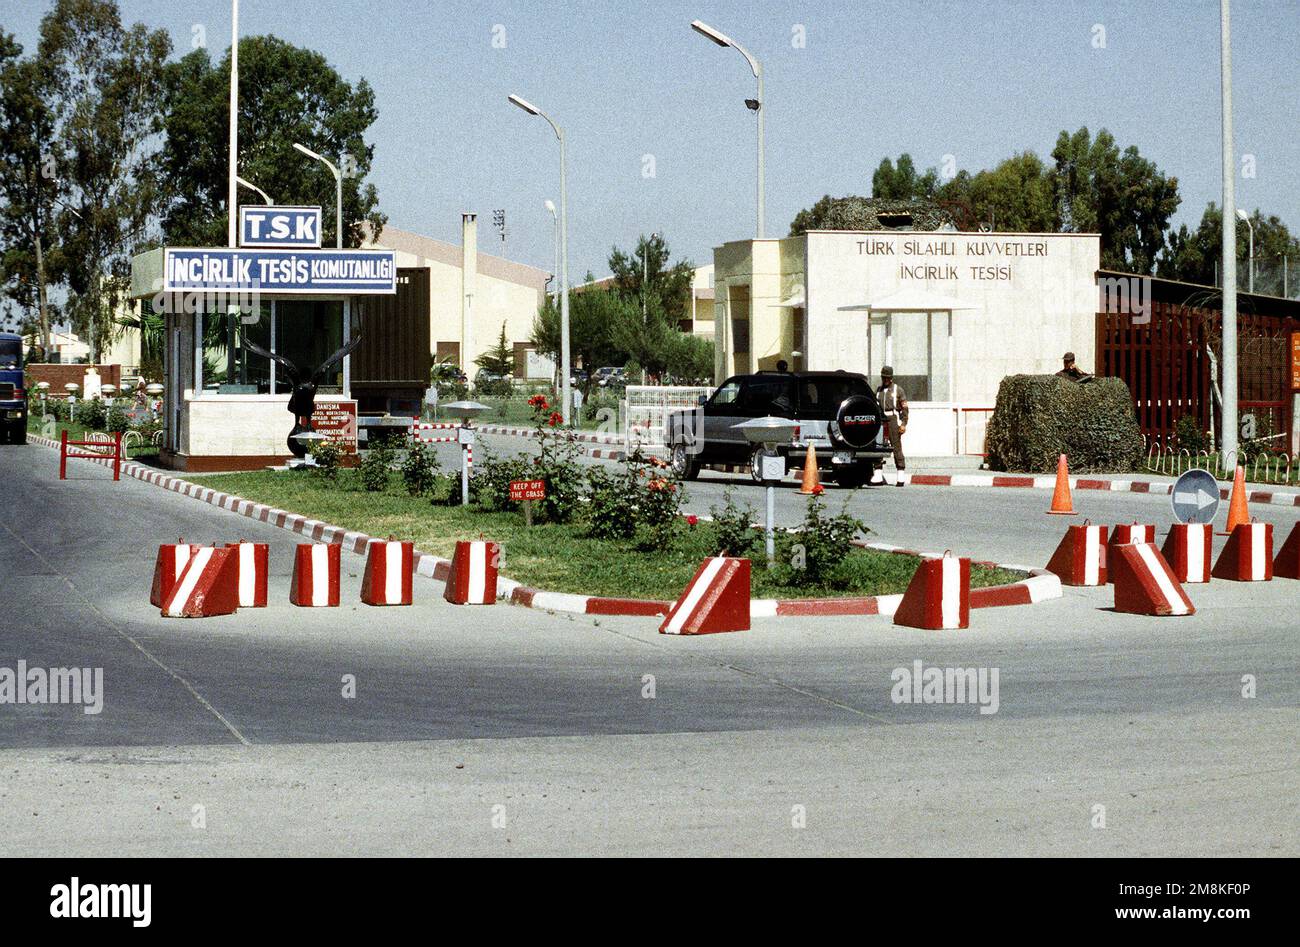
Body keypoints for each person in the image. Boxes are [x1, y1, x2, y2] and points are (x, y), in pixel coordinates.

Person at [876, 365, 908, 486]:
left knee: (896, 446)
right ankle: (878, 476)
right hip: (881, 420)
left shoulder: (897, 390)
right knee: (878, 446)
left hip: (892, 419)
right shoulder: (878, 390)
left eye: (887, 378)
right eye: (883, 377)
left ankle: (900, 475)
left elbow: (905, 409)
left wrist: (904, 423)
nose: (885, 380)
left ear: (891, 378)